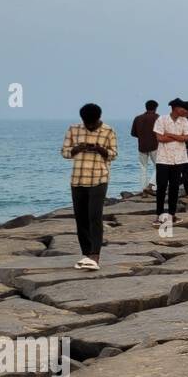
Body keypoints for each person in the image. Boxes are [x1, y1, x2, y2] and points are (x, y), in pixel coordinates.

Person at [61, 103, 118, 270]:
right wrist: (77, 148)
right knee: (81, 219)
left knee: (94, 216)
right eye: (86, 123)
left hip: (99, 178)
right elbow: (64, 152)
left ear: (98, 119)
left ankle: (95, 255)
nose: (89, 126)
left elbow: (114, 154)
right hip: (78, 179)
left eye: (92, 123)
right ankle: (86, 254)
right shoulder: (73, 129)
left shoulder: (108, 131)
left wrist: (100, 149)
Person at [153, 98, 188, 224]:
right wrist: (178, 138)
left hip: (179, 159)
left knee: (174, 187)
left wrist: (170, 135)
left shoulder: (184, 121)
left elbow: (187, 138)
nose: (185, 111)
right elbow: (160, 138)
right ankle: (159, 215)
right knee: (161, 187)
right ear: (175, 108)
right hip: (163, 159)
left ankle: (172, 214)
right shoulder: (162, 119)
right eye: (183, 108)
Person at [129, 100, 159, 194]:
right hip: (155, 145)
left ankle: (144, 189)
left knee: (143, 168)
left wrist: (143, 136)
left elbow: (133, 133)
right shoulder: (157, 118)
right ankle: (151, 185)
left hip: (142, 146)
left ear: (146, 107)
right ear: (155, 108)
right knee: (159, 166)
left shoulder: (138, 118)